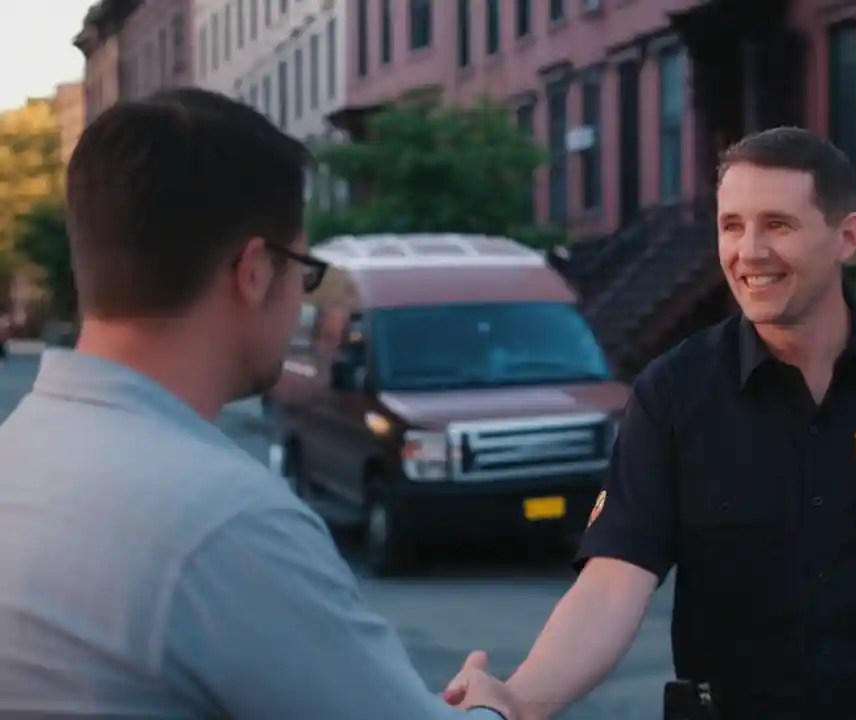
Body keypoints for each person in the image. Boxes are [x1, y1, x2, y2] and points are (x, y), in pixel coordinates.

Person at [443, 127, 856, 719]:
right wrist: (522, 697)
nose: (749, 252)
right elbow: (613, 583)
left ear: (846, 236)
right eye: (732, 225)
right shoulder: (674, 393)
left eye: (777, 225)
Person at [0, 88, 527, 720]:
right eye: (303, 272)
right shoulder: (225, 520)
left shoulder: (20, 454)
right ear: (254, 270)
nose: (303, 303)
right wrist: (493, 708)